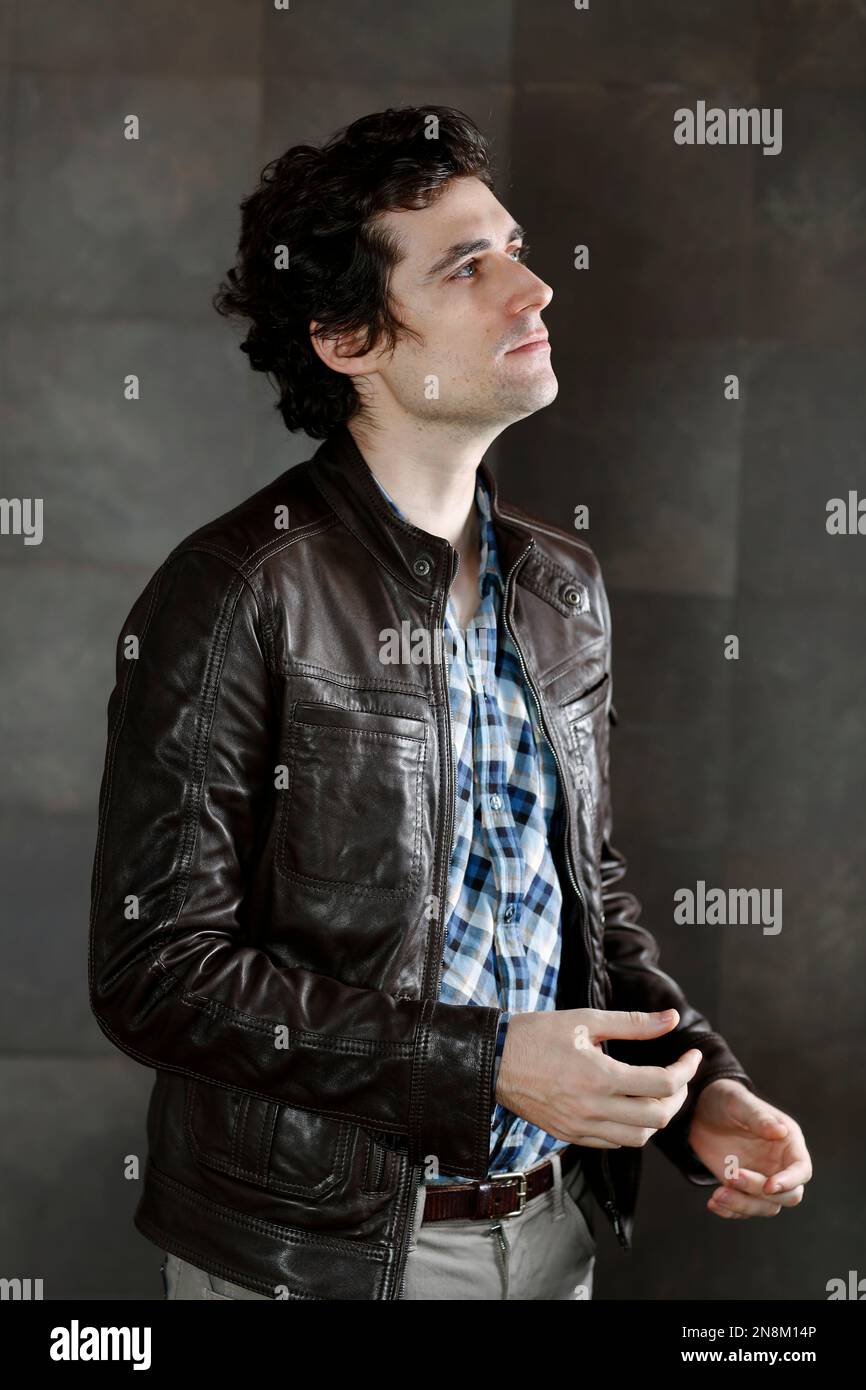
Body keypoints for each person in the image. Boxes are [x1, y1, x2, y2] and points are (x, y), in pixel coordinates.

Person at [89, 105, 811, 1302]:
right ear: (347, 338)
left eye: (513, 248)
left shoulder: (559, 585)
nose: (531, 288)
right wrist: (480, 1068)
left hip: (550, 1236)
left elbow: (585, 901)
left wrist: (699, 1091)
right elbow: (155, 970)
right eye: (467, 267)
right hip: (316, 1258)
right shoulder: (234, 591)